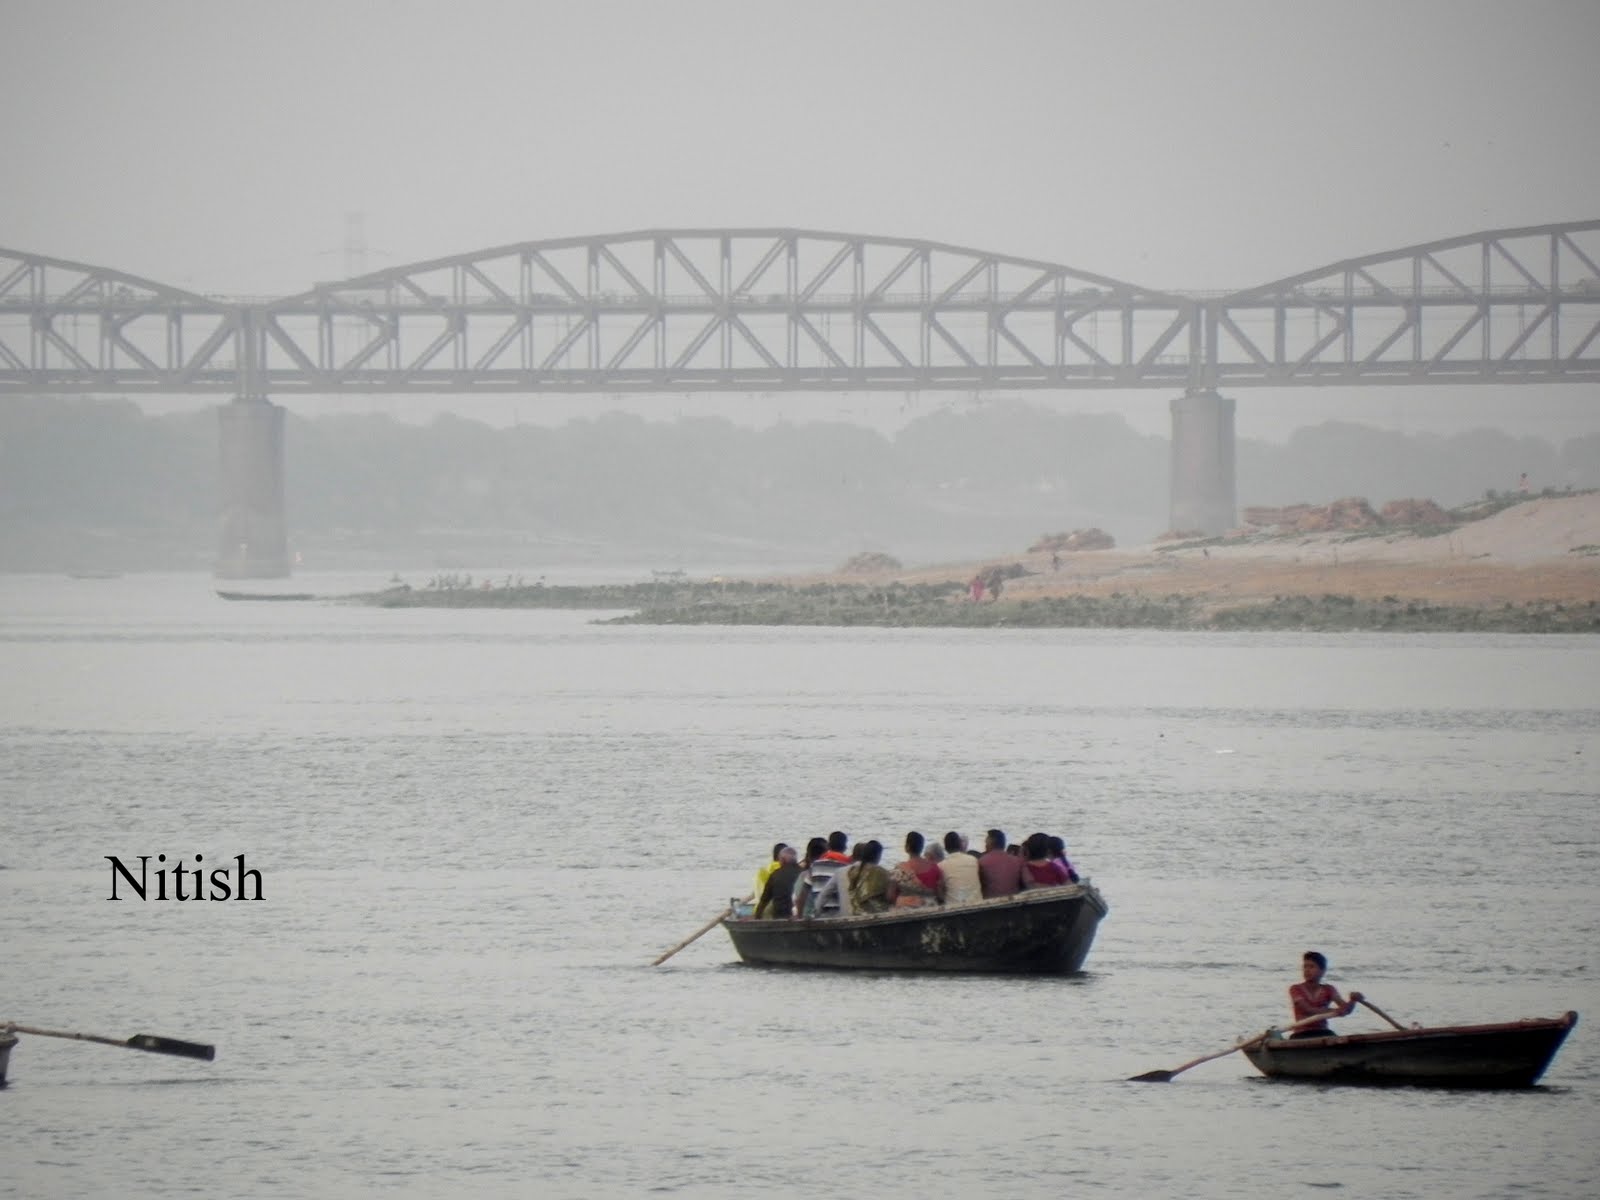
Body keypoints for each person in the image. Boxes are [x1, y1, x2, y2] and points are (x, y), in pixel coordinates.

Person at [1288, 950, 1362, 1038]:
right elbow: (1308, 1010)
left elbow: (1345, 1010)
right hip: (1301, 1033)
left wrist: (1353, 1001)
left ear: (1322, 971)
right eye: (1305, 967)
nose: (1307, 970)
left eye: (1311, 967)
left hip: (1323, 1031)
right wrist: (1334, 1011)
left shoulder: (1328, 989)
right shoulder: (1295, 989)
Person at [887, 831, 943, 907]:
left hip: (906, 912)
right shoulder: (934, 867)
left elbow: (890, 897)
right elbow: (940, 894)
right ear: (922, 847)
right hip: (930, 908)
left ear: (907, 848)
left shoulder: (898, 870)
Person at [754, 845, 802, 919]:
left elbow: (764, 900)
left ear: (782, 860)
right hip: (800, 915)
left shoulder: (775, 875)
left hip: (780, 916)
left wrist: (757, 917)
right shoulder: (804, 873)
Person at [978, 828, 1026, 897]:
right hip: (1013, 902)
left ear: (990, 844)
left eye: (986, 843)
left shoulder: (982, 861)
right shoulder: (1017, 861)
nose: (985, 846)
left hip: (991, 904)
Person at [939, 830, 983, 906]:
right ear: (960, 845)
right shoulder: (973, 860)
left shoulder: (941, 866)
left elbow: (940, 892)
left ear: (945, 848)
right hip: (977, 906)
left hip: (954, 909)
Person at [847, 840, 891, 913]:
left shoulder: (853, 871)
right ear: (878, 855)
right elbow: (889, 896)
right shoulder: (881, 872)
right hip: (875, 913)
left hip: (856, 911)